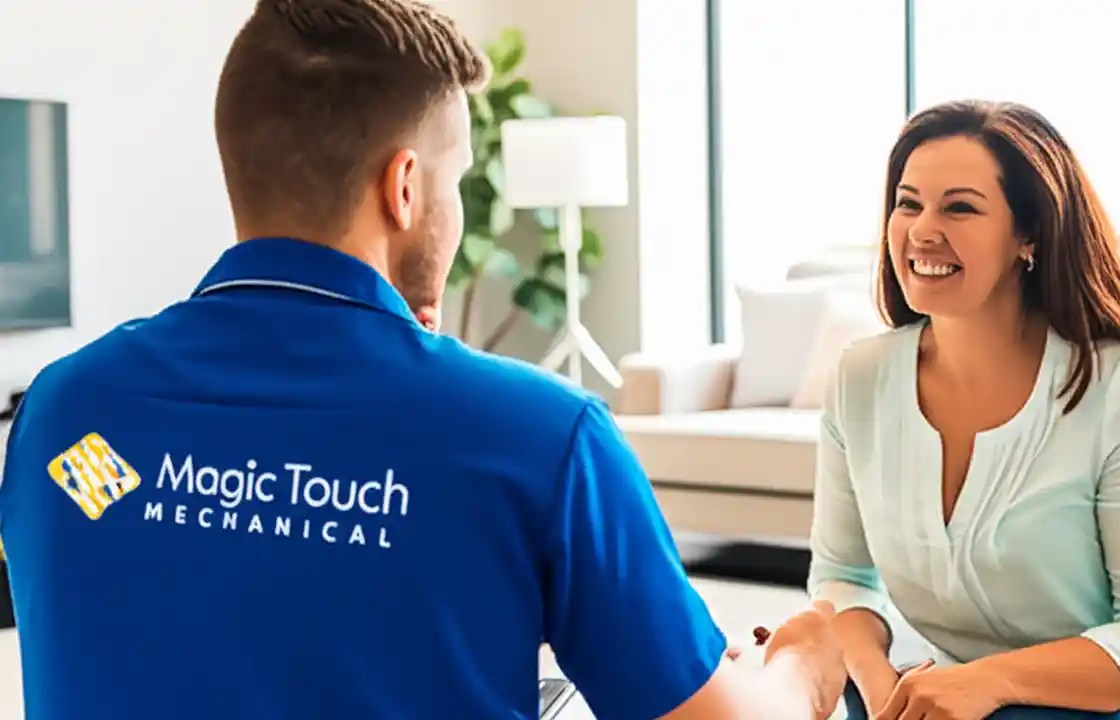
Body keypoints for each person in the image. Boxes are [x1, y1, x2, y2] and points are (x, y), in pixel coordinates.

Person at [0, 1, 847, 718]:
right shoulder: (538, 436)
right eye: (456, 183)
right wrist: (809, 661)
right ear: (404, 188)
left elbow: (193, 581)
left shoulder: (64, 411)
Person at [807, 100, 1120, 720]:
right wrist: (880, 685)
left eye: (960, 207)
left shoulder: (1118, 387)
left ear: (1030, 234)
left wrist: (988, 682)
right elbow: (843, 578)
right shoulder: (860, 378)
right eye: (908, 203)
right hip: (994, 697)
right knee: (885, 701)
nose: (921, 230)